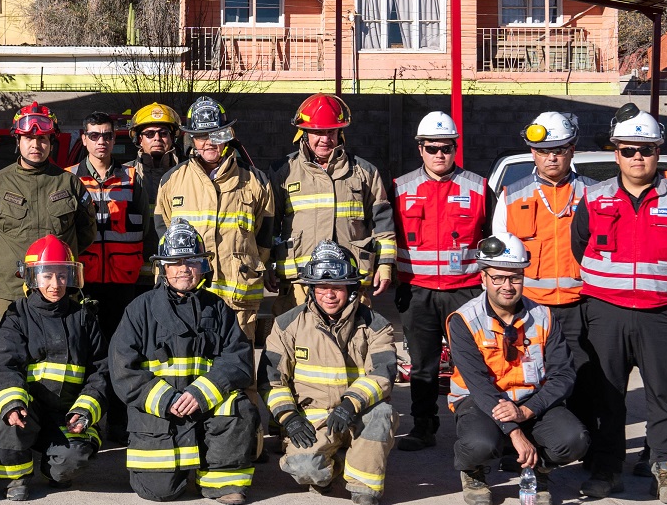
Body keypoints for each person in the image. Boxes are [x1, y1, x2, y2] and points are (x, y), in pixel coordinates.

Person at [571, 105, 667, 505]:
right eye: (628, 150)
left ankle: (666, 473)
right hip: (606, 312)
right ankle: (607, 470)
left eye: (646, 150)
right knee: (607, 396)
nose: (637, 157)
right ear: (616, 153)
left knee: (663, 395)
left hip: (661, 315)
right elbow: (580, 246)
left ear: (657, 152)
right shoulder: (594, 197)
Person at [109, 219, 257, 504]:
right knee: (159, 491)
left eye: (191, 261)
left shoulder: (218, 308)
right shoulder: (139, 310)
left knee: (238, 405)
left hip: (204, 405)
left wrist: (201, 392)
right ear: (163, 268)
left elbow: (239, 360)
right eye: (175, 262)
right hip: (161, 411)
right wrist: (166, 400)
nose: (183, 269)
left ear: (203, 266)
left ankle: (222, 480)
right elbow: (122, 370)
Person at [446, 234, 591, 505]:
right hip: (480, 401)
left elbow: (563, 375)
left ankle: (538, 469)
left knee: (575, 440)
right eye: (498, 278)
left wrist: (526, 412)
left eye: (515, 278)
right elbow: (478, 384)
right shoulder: (463, 320)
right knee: (479, 444)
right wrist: (514, 432)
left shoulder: (544, 316)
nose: (507, 286)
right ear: (483, 278)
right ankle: (473, 471)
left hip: (530, 402)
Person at [490, 111, 603, 451]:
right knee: (526, 378)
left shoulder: (595, 193)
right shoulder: (511, 195)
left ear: (572, 150)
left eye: (559, 149)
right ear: (532, 152)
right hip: (530, 310)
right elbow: (501, 261)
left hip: (581, 306)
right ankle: (524, 447)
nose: (551, 157)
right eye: (543, 151)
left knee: (584, 381)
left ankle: (583, 447)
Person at [258, 240, 398, 505]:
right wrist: (289, 418)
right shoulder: (287, 324)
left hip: (359, 412)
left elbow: (383, 372)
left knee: (381, 413)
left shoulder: (376, 326)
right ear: (311, 289)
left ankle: (364, 487)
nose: (329, 295)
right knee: (305, 469)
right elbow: (271, 379)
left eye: (337, 287)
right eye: (321, 287)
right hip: (314, 417)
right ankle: (339, 463)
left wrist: (350, 404)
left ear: (352, 288)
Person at [392, 111, 492, 451]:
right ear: (420, 148)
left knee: (471, 362)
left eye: (446, 148)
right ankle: (423, 426)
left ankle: (476, 426)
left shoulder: (478, 188)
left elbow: (494, 240)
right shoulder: (400, 188)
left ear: (455, 148)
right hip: (417, 291)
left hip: (464, 291)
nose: (439, 155)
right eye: (432, 148)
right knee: (423, 365)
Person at [0, 235, 109, 499]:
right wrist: (12, 404)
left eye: (62, 276)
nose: (55, 284)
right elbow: (3, 367)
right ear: (32, 278)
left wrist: (85, 410)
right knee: (10, 419)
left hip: (66, 414)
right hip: (27, 411)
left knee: (71, 462)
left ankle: (53, 466)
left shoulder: (83, 318)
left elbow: (101, 371)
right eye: (47, 276)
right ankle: (14, 478)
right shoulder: (17, 316)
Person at [154, 95, 277, 340]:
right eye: (201, 136)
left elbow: (264, 238)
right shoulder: (172, 181)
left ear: (227, 135)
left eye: (216, 134)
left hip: (238, 301)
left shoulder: (255, 181)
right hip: (186, 299)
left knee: (238, 362)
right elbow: (163, 234)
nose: (209, 142)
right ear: (192, 139)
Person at [0, 102, 95, 324]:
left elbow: (86, 233)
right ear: (17, 141)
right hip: (11, 293)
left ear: (51, 142)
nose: (36, 145)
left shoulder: (70, 184)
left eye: (43, 139)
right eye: (29, 138)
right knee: (7, 346)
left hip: (58, 292)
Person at [270, 93, 395, 309]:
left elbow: (382, 225)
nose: (325, 139)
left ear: (340, 133)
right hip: (299, 282)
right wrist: (266, 265)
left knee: (354, 331)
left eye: (331, 132)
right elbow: (269, 226)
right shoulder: (283, 172)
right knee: (298, 331)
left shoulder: (365, 173)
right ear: (304, 133)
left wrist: (385, 264)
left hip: (351, 279)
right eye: (318, 132)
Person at [74, 110, 147, 345]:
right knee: (87, 345)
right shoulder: (70, 178)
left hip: (124, 281)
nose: (101, 141)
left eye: (107, 136)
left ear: (114, 139)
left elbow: (145, 225)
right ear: (84, 139)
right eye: (94, 136)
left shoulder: (132, 178)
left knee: (123, 345)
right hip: (84, 279)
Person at [129, 102, 183, 208]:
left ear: (172, 138)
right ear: (139, 139)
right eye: (150, 134)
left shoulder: (187, 172)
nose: (157, 138)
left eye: (163, 133)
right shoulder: (125, 174)